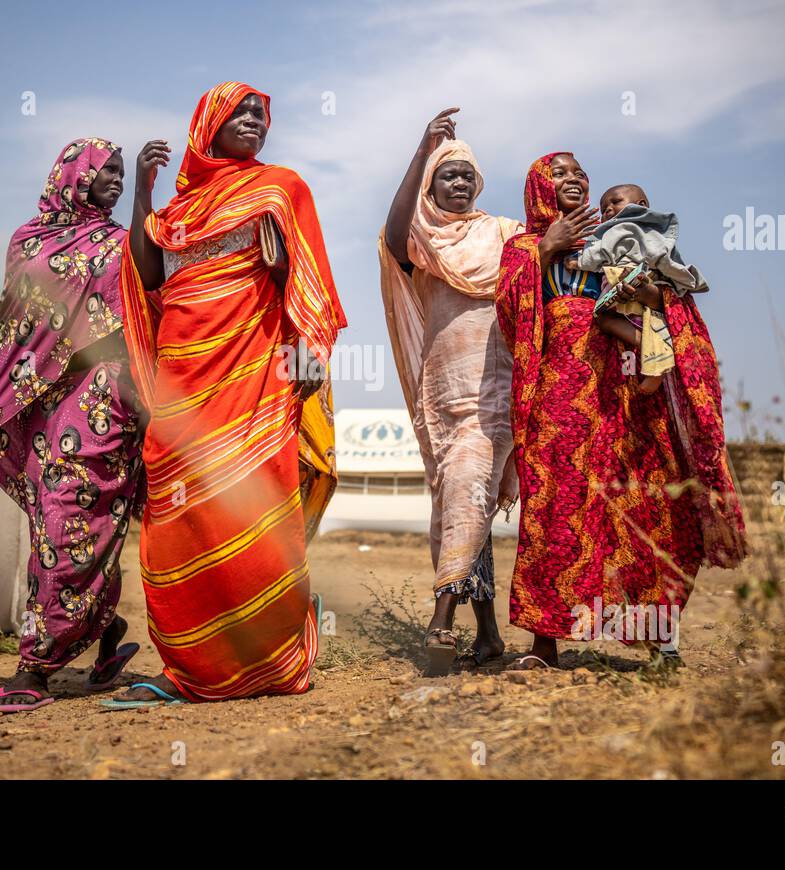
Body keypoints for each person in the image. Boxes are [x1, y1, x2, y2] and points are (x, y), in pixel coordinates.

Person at [107, 81, 346, 707]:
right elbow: (151, 272)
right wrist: (141, 192)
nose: (254, 122)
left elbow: (310, 277)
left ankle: (269, 660)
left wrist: (294, 316)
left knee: (256, 510)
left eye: (261, 115)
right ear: (206, 122)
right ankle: (192, 663)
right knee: (177, 514)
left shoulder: (280, 187)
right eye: (240, 111)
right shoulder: (176, 211)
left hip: (256, 371)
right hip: (182, 380)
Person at [494, 152, 747, 670]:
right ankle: (545, 646)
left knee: (644, 507)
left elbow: (670, 303)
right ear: (539, 186)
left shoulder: (618, 239)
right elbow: (508, 312)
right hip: (558, 394)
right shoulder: (523, 248)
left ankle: (658, 639)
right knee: (556, 508)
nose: (573, 179)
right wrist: (546, 249)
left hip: (630, 393)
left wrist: (644, 296)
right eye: (559, 172)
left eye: (579, 173)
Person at [0, 138, 144, 714]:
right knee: (58, 526)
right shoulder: (29, 240)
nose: (116, 181)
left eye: (122, 173)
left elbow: (144, 306)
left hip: (103, 397)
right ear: (75, 175)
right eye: (109, 171)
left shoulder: (124, 241)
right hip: (40, 399)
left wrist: (146, 191)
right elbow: (16, 323)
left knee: (72, 515)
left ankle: (35, 668)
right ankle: (106, 626)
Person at [379, 108, 521, 675]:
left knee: (468, 483)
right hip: (445, 391)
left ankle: (440, 626)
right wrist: (422, 149)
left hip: (499, 387)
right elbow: (393, 234)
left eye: (467, 175)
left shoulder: (506, 234)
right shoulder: (421, 238)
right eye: (448, 175)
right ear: (431, 186)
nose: (459, 183)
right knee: (465, 496)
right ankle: (487, 636)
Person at [573, 183, 708, 394]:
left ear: (641, 204)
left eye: (615, 202)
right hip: (642, 284)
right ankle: (653, 356)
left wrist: (577, 262)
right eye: (603, 208)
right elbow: (668, 258)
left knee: (606, 320)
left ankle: (650, 353)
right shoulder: (655, 232)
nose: (607, 209)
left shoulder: (616, 231)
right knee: (653, 323)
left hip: (625, 283)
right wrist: (677, 278)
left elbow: (595, 256)